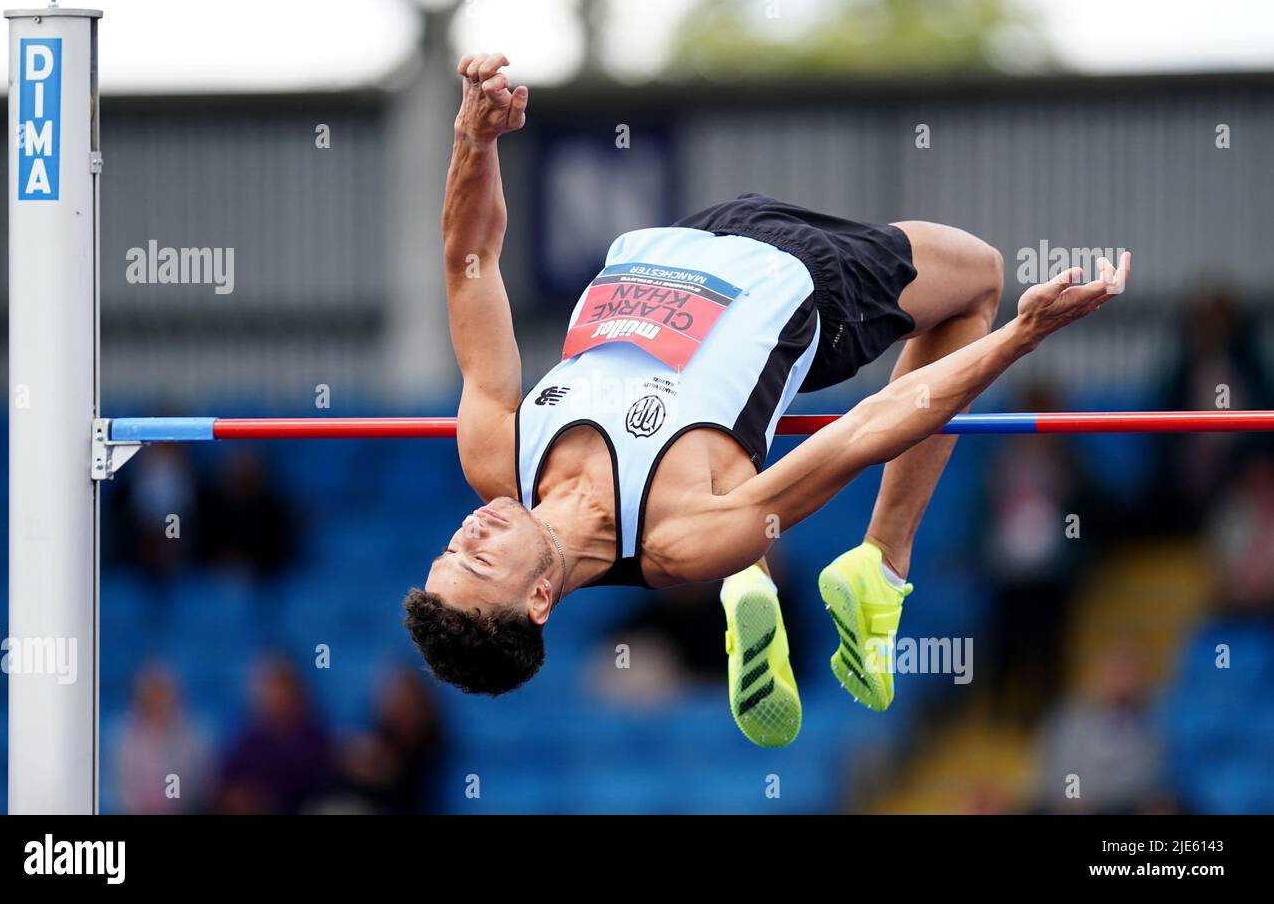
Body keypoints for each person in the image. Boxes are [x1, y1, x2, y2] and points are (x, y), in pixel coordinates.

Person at [404, 52, 1131, 748]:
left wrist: (475, 140)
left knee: (730, 478)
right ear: (537, 601)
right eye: (475, 562)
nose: (467, 535)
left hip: (686, 237)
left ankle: (755, 578)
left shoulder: (497, 456)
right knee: (979, 278)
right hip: (807, 284)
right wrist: (1019, 338)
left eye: (448, 548)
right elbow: (862, 431)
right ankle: (879, 564)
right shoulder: (677, 537)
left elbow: (471, 268)